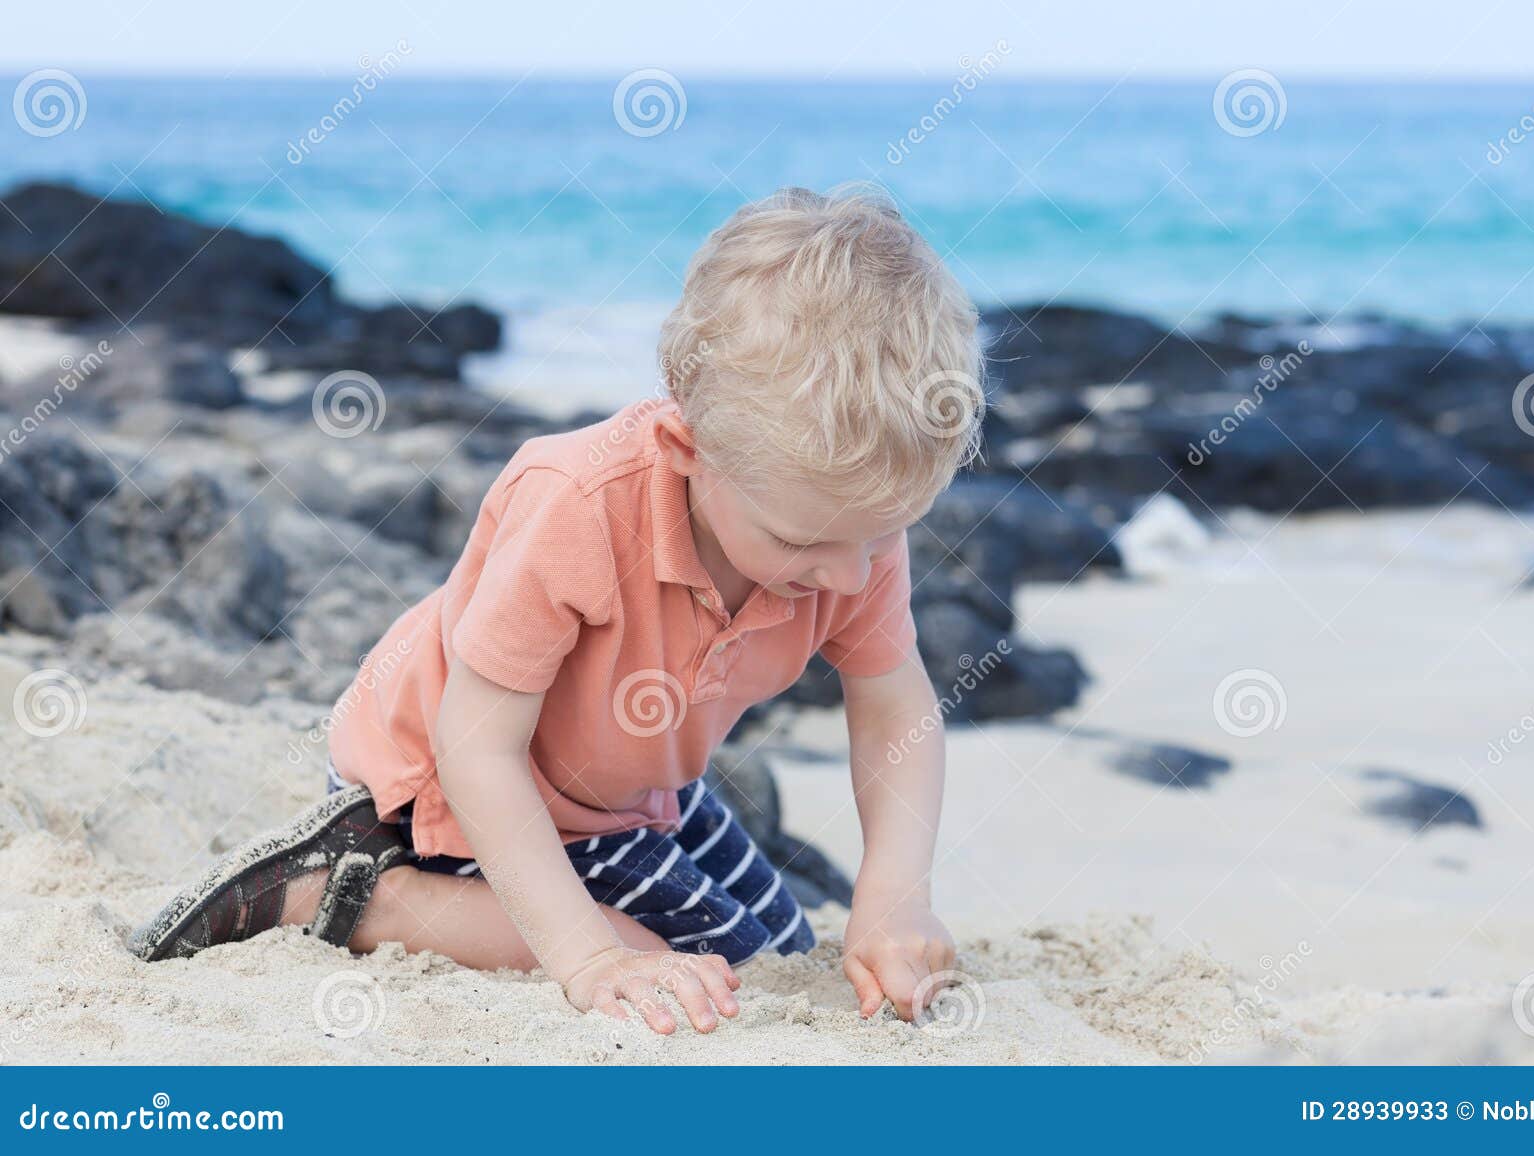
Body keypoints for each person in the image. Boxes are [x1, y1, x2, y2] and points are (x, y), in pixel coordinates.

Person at [130, 184, 986, 1036]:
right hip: (453, 781)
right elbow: (476, 749)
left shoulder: (849, 523)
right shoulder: (578, 503)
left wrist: (894, 891)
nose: (848, 577)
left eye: (883, 536)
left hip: (633, 783)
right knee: (688, 960)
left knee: (783, 944)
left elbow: (892, 708)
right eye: (803, 544)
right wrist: (590, 960)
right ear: (690, 451)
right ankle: (361, 896)